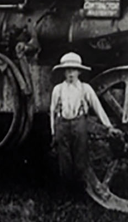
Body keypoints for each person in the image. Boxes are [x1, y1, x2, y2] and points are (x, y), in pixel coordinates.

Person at [49, 52, 118, 183]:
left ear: (79, 72)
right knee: (64, 159)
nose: (70, 73)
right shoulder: (58, 89)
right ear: (63, 72)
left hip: (79, 124)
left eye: (74, 70)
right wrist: (53, 132)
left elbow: (98, 108)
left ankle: (80, 188)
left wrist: (108, 126)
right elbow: (52, 111)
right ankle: (67, 190)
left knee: (81, 158)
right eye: (67, 70)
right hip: (62, 124)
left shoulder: (85, 89)